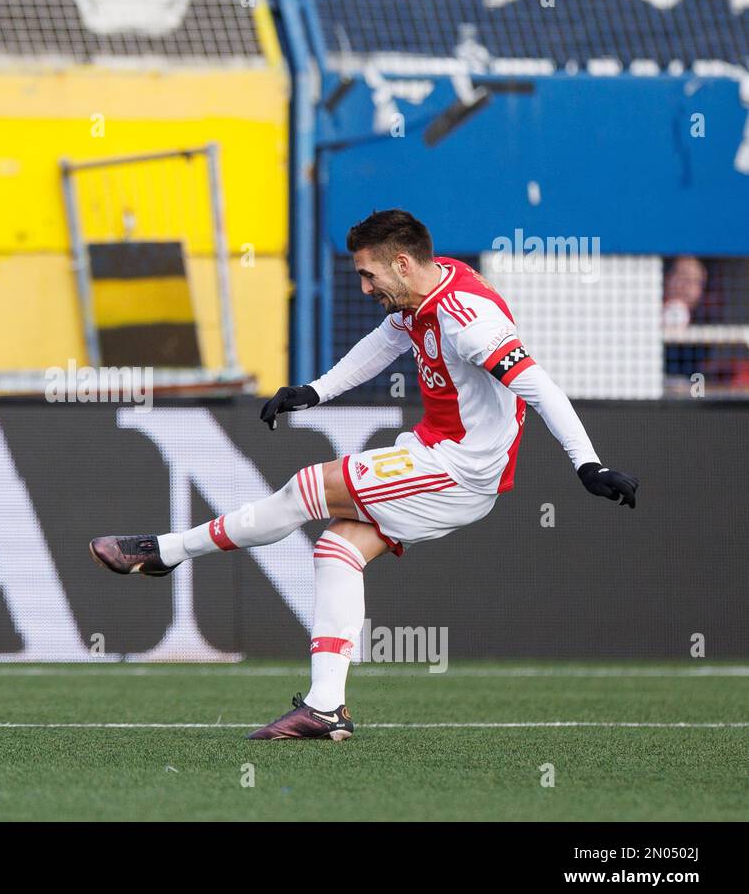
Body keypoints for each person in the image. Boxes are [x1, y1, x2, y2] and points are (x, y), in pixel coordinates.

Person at [89, 209, 639, 741]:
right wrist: (315, 392)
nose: (365, 287)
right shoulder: (425, 292)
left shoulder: (468, 318)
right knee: (337, 553)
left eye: (368, 274)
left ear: (401, 263)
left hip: (459, 470)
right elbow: (383, 343)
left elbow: (539, 386)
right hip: (435, 454)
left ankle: (165, 550)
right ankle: (325, 707)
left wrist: (587, 463)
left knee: (307, 488)